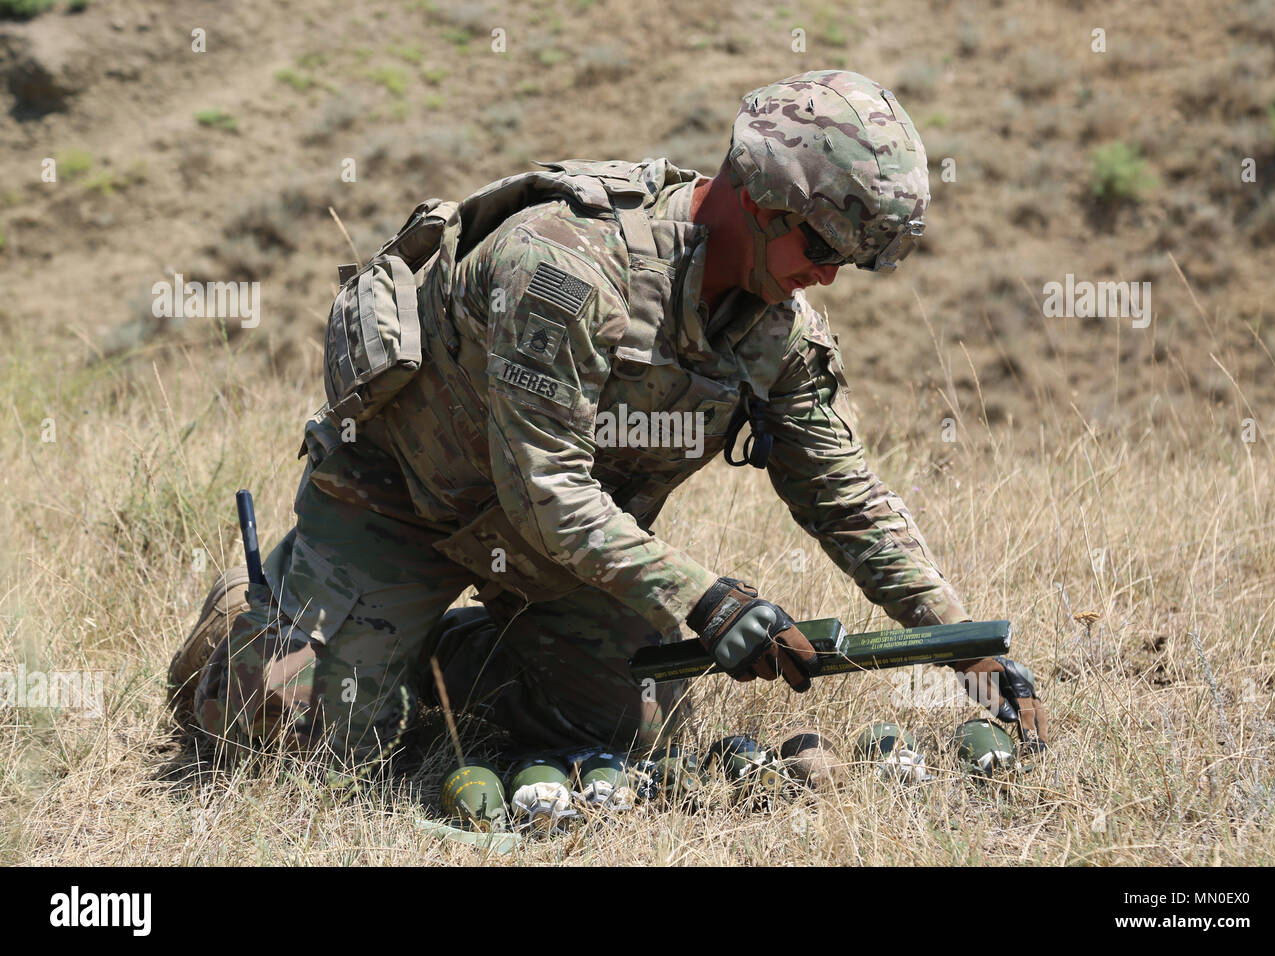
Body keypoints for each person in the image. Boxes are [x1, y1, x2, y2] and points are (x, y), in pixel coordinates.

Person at [167, 69, 1047, 770]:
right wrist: (704, 599)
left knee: (622, 725)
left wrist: (964, 645)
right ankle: (266, 613)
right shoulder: (567, 269)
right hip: (401, 506)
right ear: (760, 197)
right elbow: (543, 485)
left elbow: (842, 497)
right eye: (820, 246)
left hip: (554, 556)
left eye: (850, 262)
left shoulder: (778, 327)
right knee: (273, 740)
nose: (828, 274)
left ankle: (433, 658)